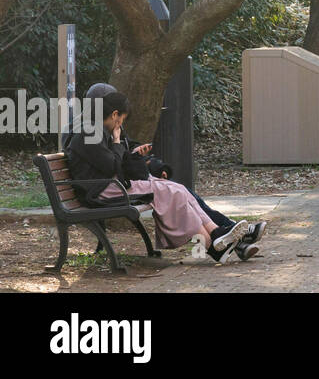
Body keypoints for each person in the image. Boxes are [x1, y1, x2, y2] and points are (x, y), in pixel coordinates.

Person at [65, 92, 259, 263]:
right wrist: (116, 142)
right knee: (170, 192)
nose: (121, 124)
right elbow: (110, 166)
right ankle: (212, 245)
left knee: (178, 189)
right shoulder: (87, 134)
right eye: (121, 119)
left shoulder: (95, 131)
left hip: (112, 185)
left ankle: (216, 234)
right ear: (114, 114)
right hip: (102, 190)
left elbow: (116, 163)